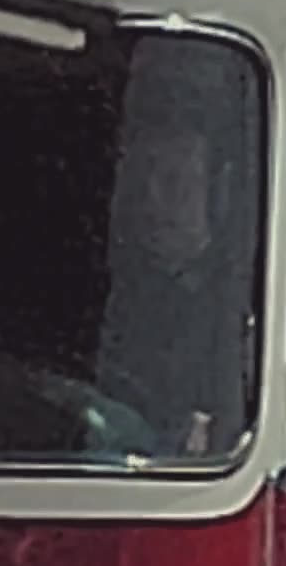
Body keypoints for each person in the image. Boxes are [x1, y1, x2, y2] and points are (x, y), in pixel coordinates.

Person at [94, 117, 259, 457]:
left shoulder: (256, 295)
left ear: (219, 194)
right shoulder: (103, 290)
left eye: (175, 183)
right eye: (140, 184)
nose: (153, 202)